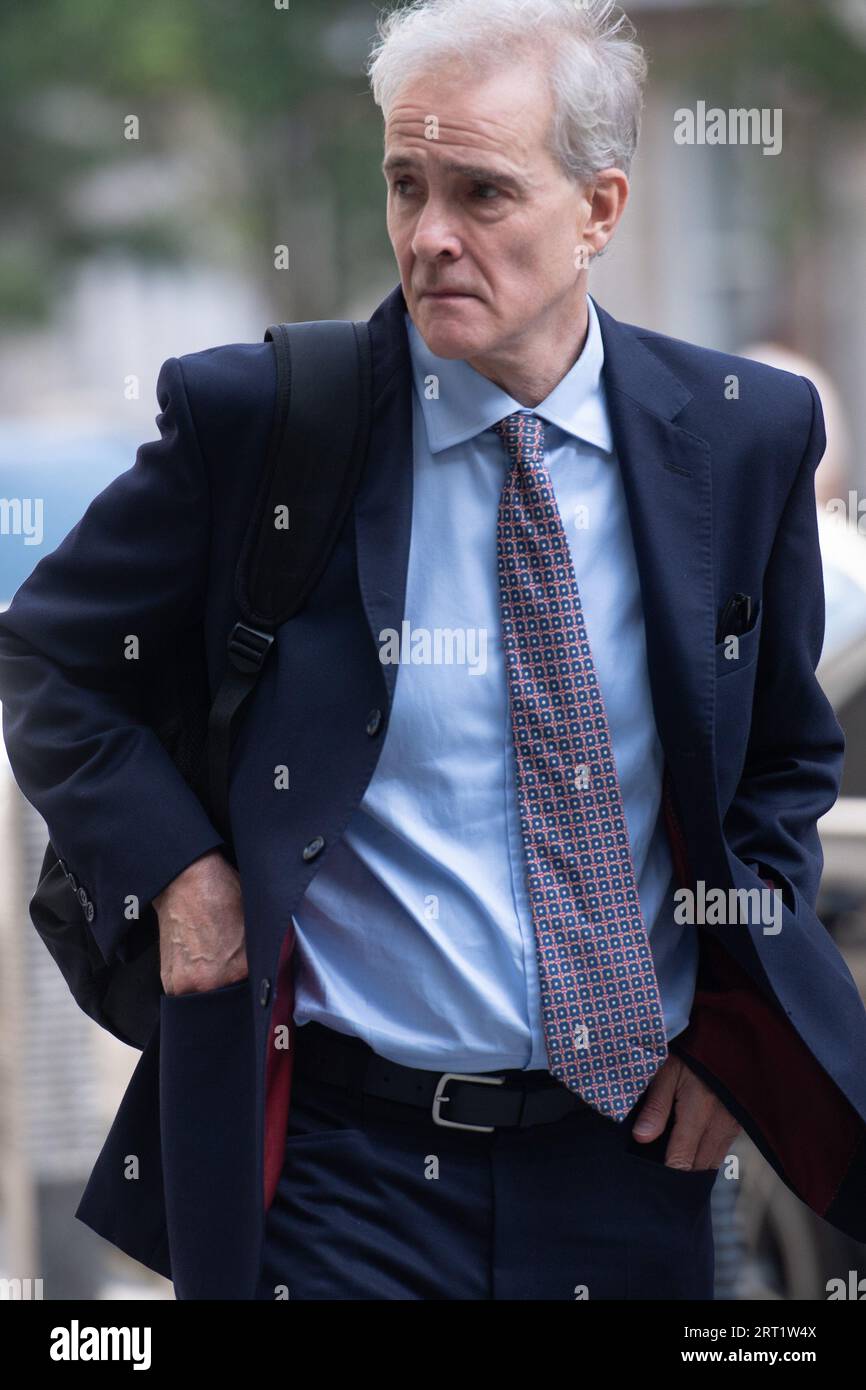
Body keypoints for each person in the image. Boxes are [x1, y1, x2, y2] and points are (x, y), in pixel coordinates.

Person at [1, 0, 865, 1302]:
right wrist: (179, 870)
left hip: (629, 1159)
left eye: (481, 191)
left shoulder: (741, 438)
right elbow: (52, 659)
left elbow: (780, 763)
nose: (430, 236)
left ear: (599, 208)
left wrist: (733, 1038)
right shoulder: (272, 421)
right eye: (406, 184)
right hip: (339, 1170)